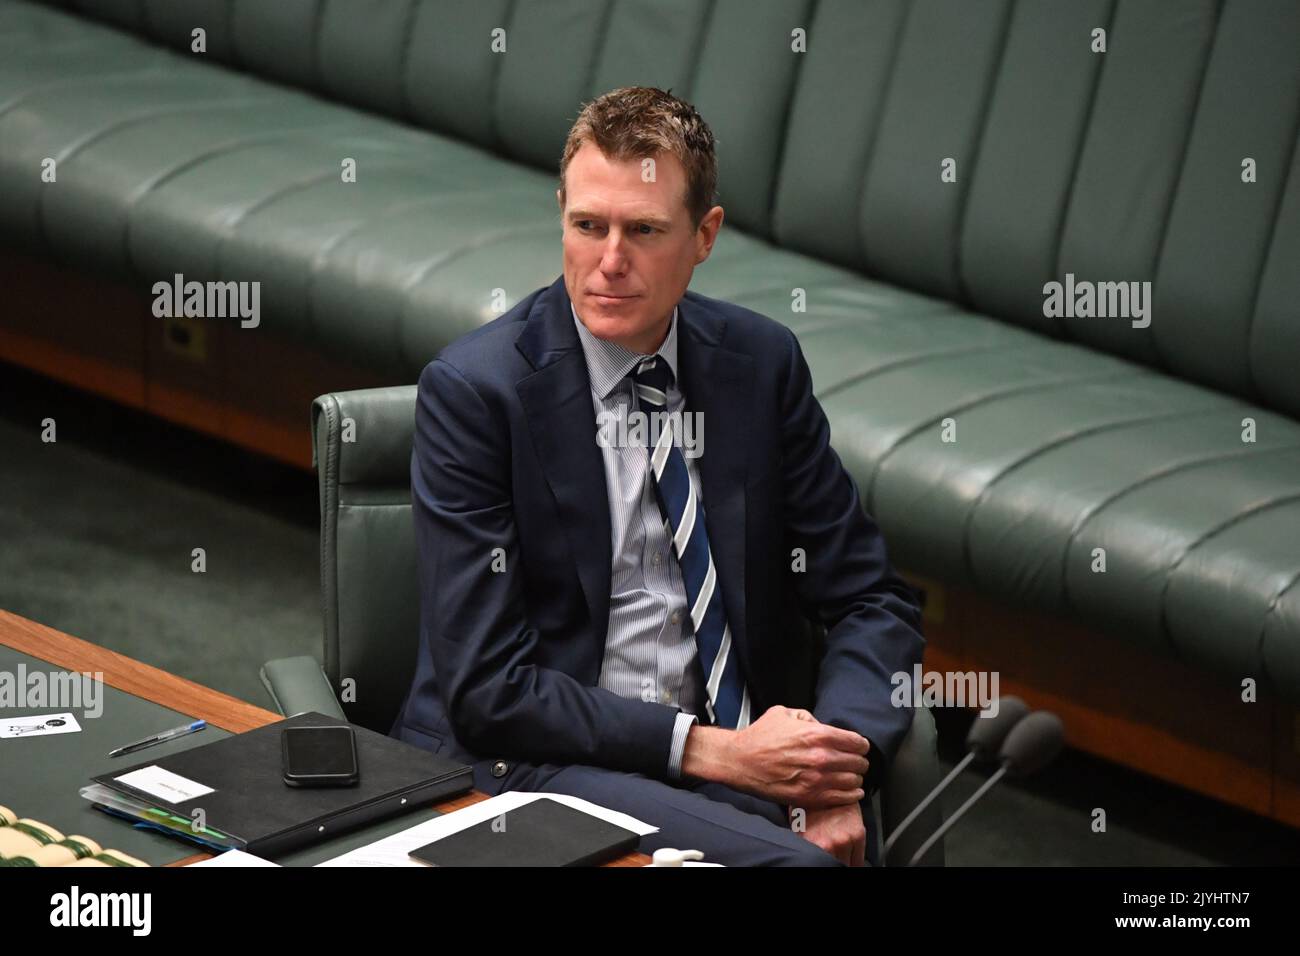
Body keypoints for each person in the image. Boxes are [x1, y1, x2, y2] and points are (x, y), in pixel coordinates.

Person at [391, 87, 925, 866]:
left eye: (643, 231)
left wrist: (830, 769)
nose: (609, 262)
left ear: (704, 235)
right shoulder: (479, 392)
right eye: (587, 226)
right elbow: (488, 689)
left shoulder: (759, 366)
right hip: (541, 762)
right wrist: (715, 752)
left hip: (738, 760)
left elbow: (872, 599)